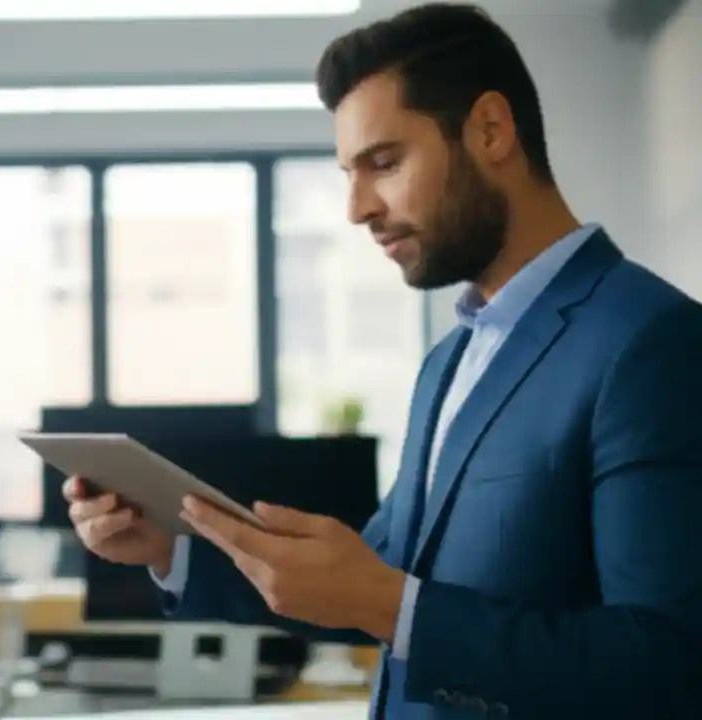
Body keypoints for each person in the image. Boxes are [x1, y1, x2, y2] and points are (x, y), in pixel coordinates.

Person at [64, 3, 702, 718]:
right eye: (348, 172)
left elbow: (669, 663)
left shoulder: (652, 343)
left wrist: (391, 605)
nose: (357, 208)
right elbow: (364, 583)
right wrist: (170, 548)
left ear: (491, 130)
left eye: (385, 162)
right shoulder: (449, 363)